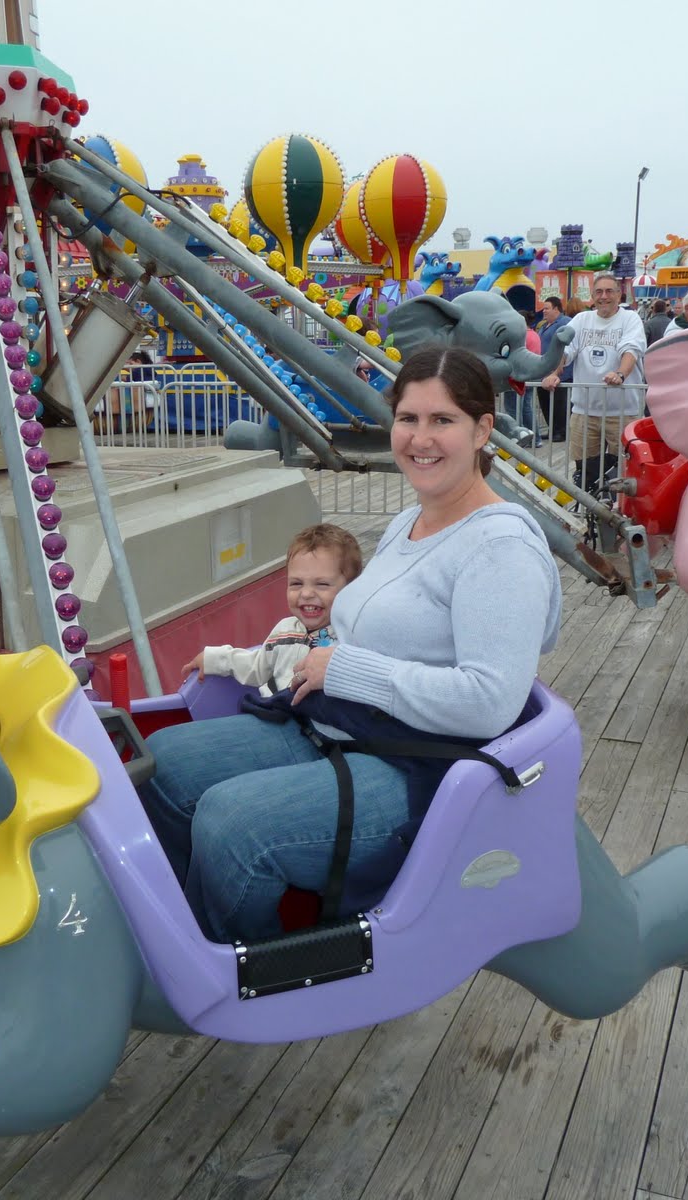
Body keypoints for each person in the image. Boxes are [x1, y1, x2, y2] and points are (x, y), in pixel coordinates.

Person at [139, 346, 562, 942]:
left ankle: (231, 964)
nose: (421, 438)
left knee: (231, 824)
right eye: (408, 419)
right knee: (165, 766)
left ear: (483, 430)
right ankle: (192, 918)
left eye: (443, 420)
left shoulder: (500, 548)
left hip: (418, 763)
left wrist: (347, 668)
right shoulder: (406, 522)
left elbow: (490, 701)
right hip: (341, 725)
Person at [182, 524, 362, 696]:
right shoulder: (284, 631)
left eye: (322, 584)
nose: (306, 593)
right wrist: (213, 659)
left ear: (352, 589)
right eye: (296, 583)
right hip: (272, 712)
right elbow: (256, 666)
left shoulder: (351, 638)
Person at [539, 272, 646, 495]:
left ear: (619, 294)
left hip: (622, 412)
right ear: (592, 296)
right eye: (599, 292)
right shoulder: (581, 320)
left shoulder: (630, 318)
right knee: (584, 469)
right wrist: (554, 373)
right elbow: (565, 351)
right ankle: (586, 512)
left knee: (622, 470)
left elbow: (631, 350)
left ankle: (619, 514)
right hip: (584, 411)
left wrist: (620, 374)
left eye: (609, 291)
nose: (603, 296)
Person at [534, 295, 572, 443]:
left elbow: (569, 346)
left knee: (558, 404)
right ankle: (553, 429)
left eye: (547, 308)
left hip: (559, 373)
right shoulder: (544, 325)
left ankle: (561, 431)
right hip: (543, 371)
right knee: (545, 402)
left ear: (556, 309)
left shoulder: (565, 323)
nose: (544, 311)